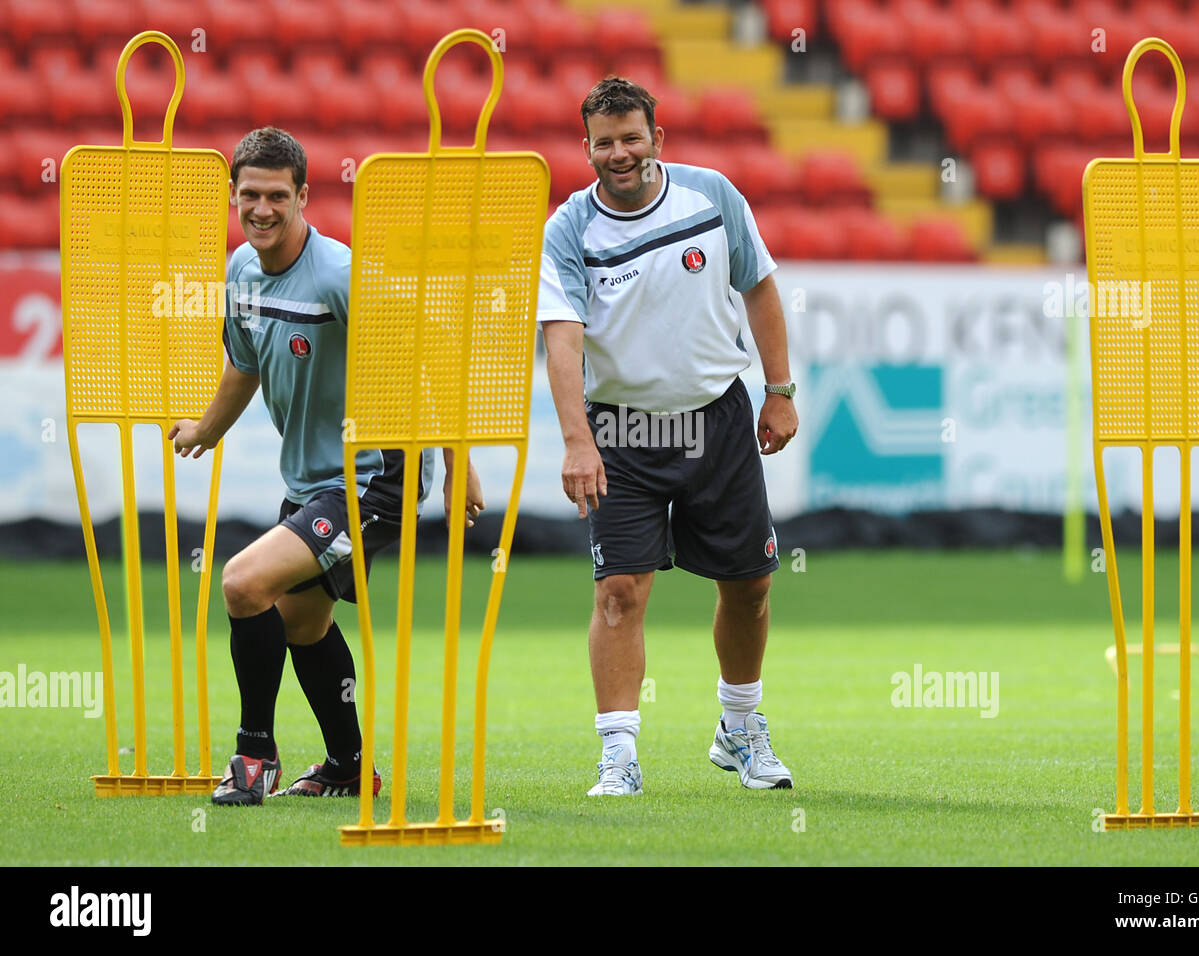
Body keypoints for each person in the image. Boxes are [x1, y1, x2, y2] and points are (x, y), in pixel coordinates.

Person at [169, 127, 484, 806]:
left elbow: (418, 358)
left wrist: (460, 463)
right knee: (303, 622)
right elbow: (243, 366)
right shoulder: (240, 270)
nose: (261, 208)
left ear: (304, 195)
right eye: (249, 194)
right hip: (315, 479)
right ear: (233, 194)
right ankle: (347, 768)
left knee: (243, 583)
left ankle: (254, 757)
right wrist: (205, 429)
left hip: (375, 477)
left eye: (277, 195)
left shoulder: (341, 275)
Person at [537, 78, 798, 795]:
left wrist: (779, 391)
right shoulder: (568, 230)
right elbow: (562, 341)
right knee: (620, 589)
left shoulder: (712, 196)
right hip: (621, 431)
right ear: (586, 147)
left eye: (631, 137)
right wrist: (576, 441)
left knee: (749, 585)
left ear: (658, 138)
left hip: (718, 419)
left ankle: (739, 727)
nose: (618, 153)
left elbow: (761, 286)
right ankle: (618, 755)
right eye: (603, 142)